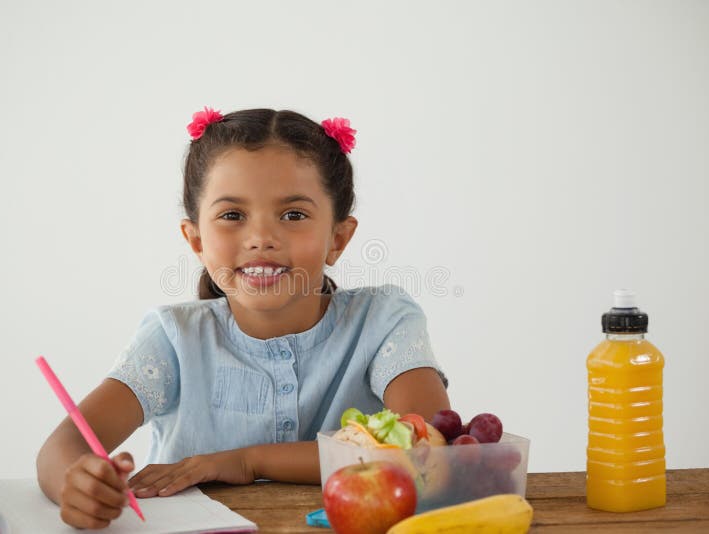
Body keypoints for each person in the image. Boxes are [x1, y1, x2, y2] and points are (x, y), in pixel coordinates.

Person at [36, 107, 451, 529]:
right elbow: (62, 447)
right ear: (195, 239)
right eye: (232, 216)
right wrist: (77, 483)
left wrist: (247, 460)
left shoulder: (383, 321)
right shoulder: (173, 338)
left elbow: (427, 452)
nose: (261, 239)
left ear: (337, 238)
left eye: (294, 215)